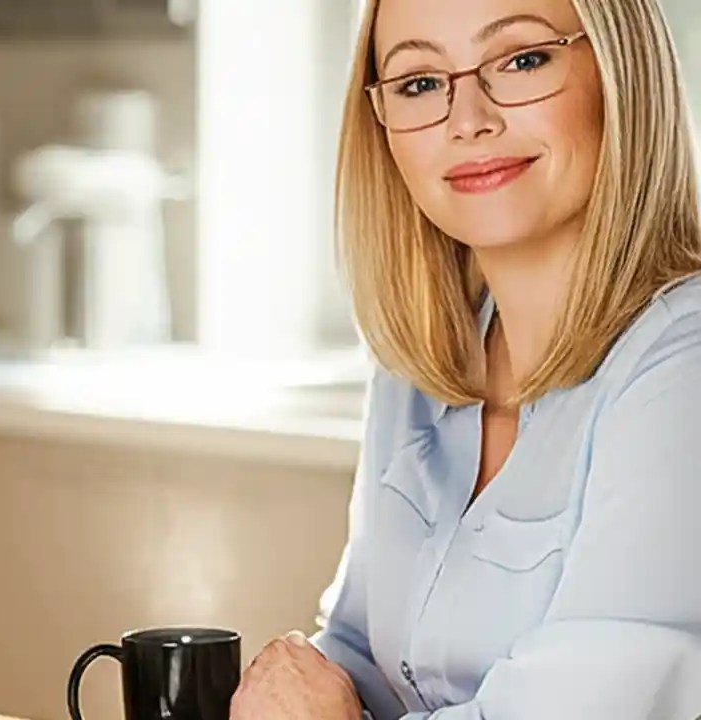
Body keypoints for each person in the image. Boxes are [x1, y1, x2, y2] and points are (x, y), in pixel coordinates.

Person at [230, 0, 701, 718]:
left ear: (618, 75)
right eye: (420, 82)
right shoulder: (421, 357)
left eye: (522, 60)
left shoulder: (684, 366)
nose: (467, 118)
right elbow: (361, 655)